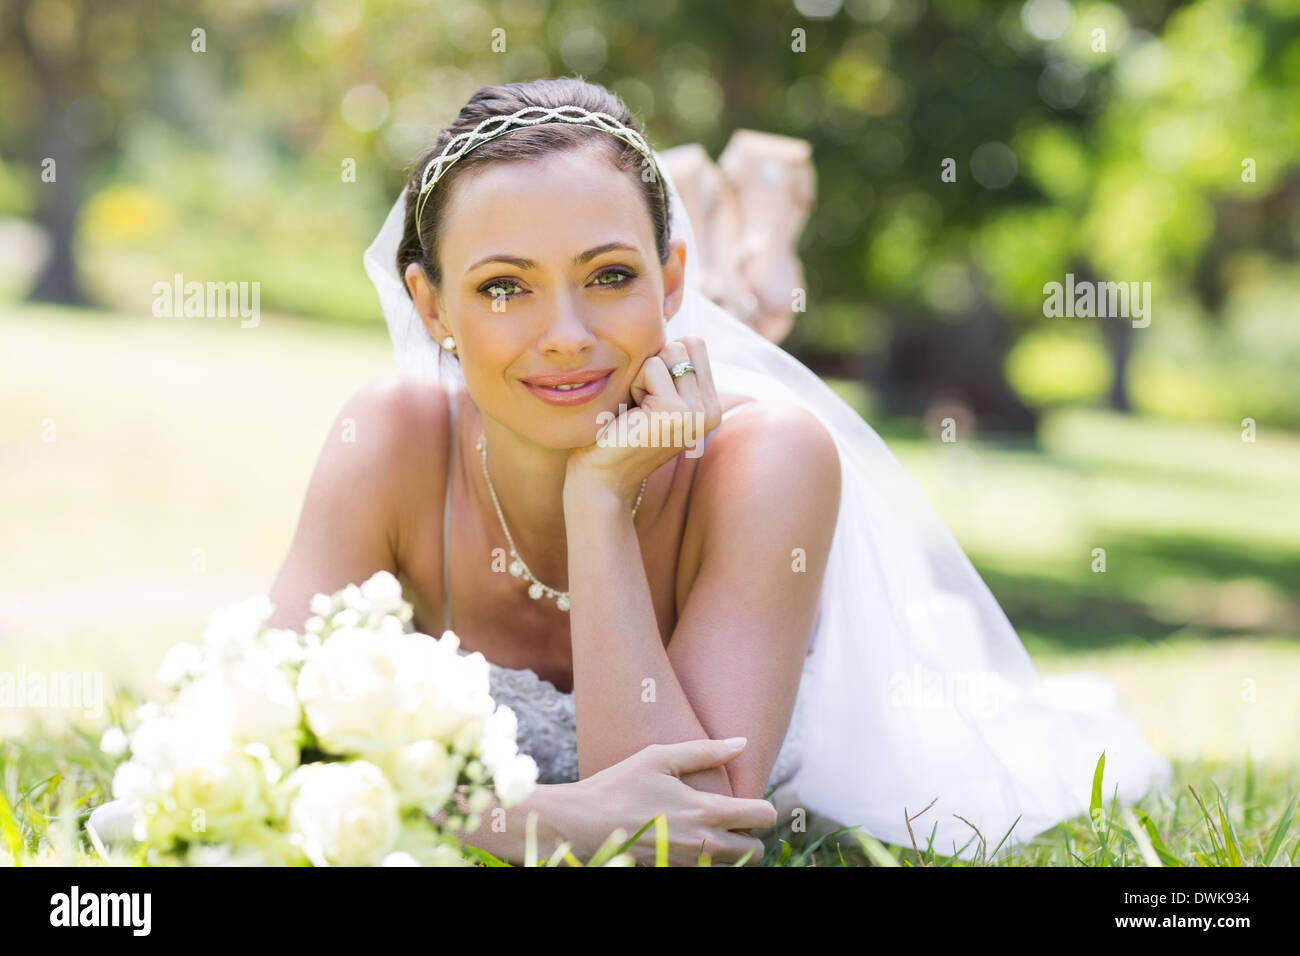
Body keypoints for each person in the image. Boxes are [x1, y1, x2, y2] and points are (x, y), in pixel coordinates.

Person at [268, 76, 1172, 867]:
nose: (566, 332)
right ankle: (742, 259)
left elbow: (688, 840)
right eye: (504, 287)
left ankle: (749, 262)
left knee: (685, 379)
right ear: (430, 306)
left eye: (611, 275)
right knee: (621, 358)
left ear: (669, 283)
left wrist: (600, 503)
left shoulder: (775, 455)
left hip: (719, 459)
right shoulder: (390, 438)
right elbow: (254, 733)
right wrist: (537, 821)